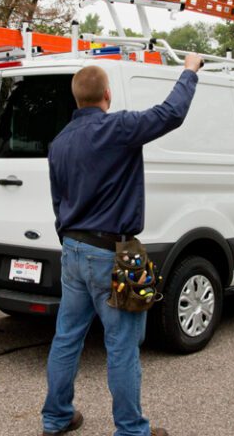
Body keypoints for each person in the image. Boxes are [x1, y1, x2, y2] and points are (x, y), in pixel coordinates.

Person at [41, 53, 203, 436]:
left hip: (74, 250)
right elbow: (171, 113)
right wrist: (189, 72)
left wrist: (70, 240)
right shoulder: (119, 128)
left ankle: (56, 417)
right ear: (107, 95)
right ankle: (131, 429)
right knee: (123, 345)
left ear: (77, 99)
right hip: (119, 252)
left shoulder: (59, 143)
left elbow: (57, 202)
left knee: (67, 337)